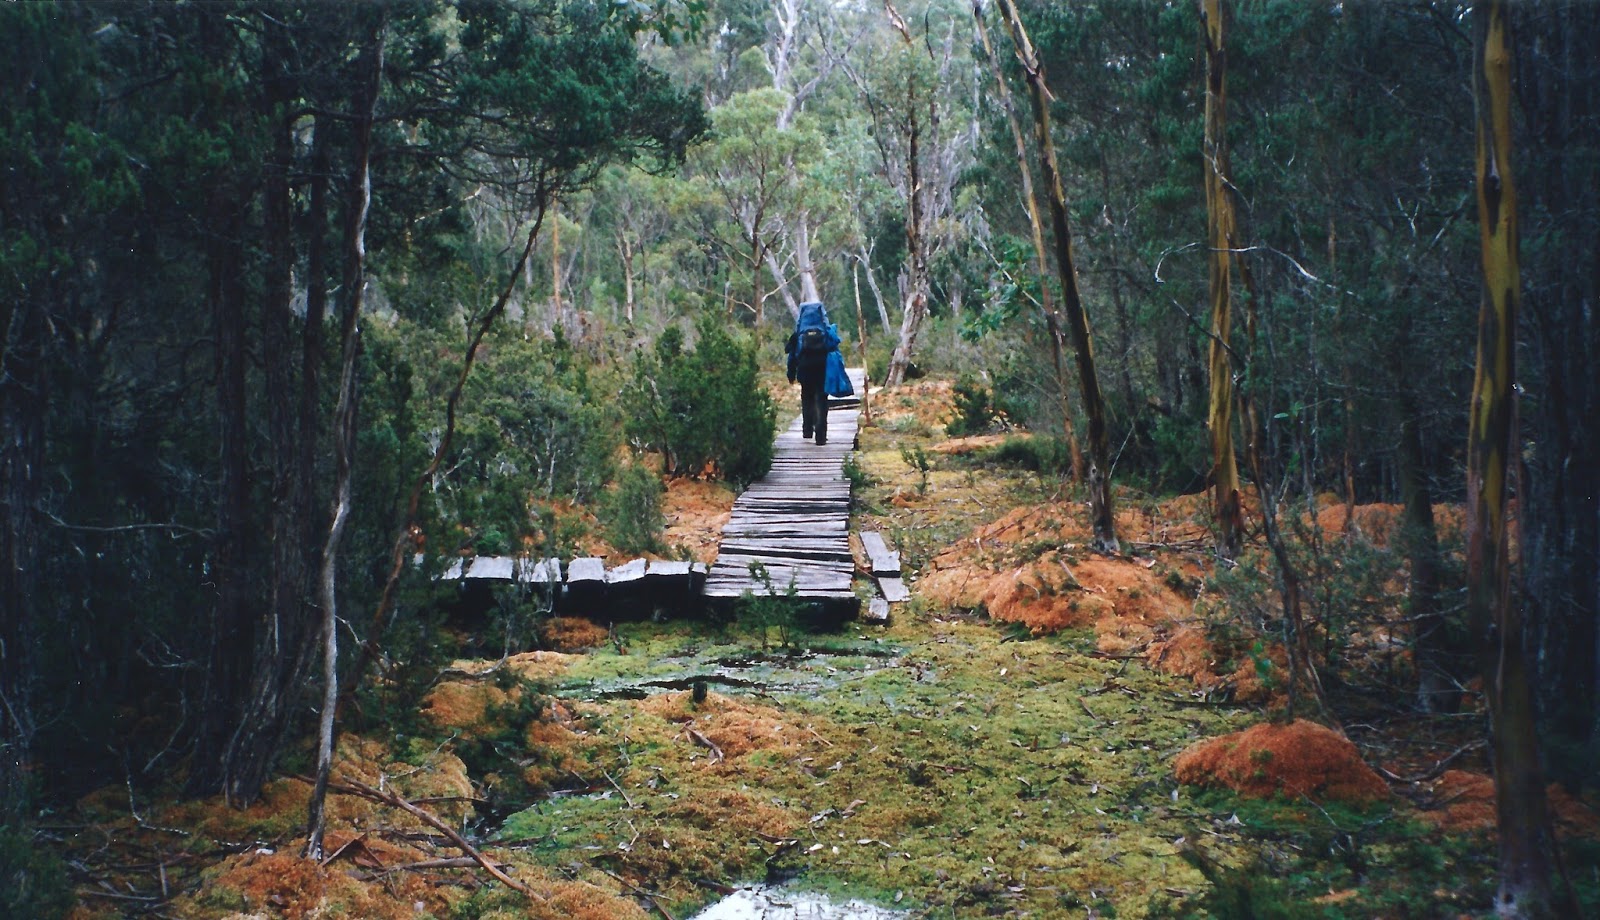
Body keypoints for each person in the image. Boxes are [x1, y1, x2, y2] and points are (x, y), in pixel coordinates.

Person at [785, 301, 838, 445]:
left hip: (804, 369)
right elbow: (834, 346)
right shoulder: (825, 332)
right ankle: (821, 435)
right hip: (821, 368)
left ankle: (807, 430)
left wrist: (791, 374)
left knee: (807, 398)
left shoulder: (798, 334)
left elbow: (792, 356)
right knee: (822, 400)